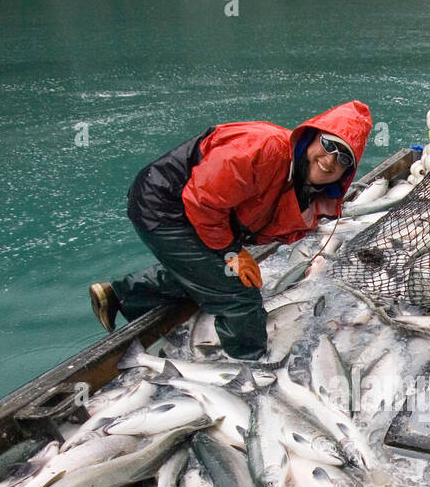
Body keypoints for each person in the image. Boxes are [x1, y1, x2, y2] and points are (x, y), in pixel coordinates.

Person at [89, 101, 372, 359]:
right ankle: (248, 366)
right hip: (164, 204)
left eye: (343, 159)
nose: (330, 160)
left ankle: (119, 295)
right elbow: (201, 202)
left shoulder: (307, 184)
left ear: (347, 171)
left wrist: (230, 254)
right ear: (310, 137)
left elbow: (273, 219)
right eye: (328, 145)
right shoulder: (262, 148)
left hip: (207, 214)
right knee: (240, 296)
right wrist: (231, 252)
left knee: (213, 272)